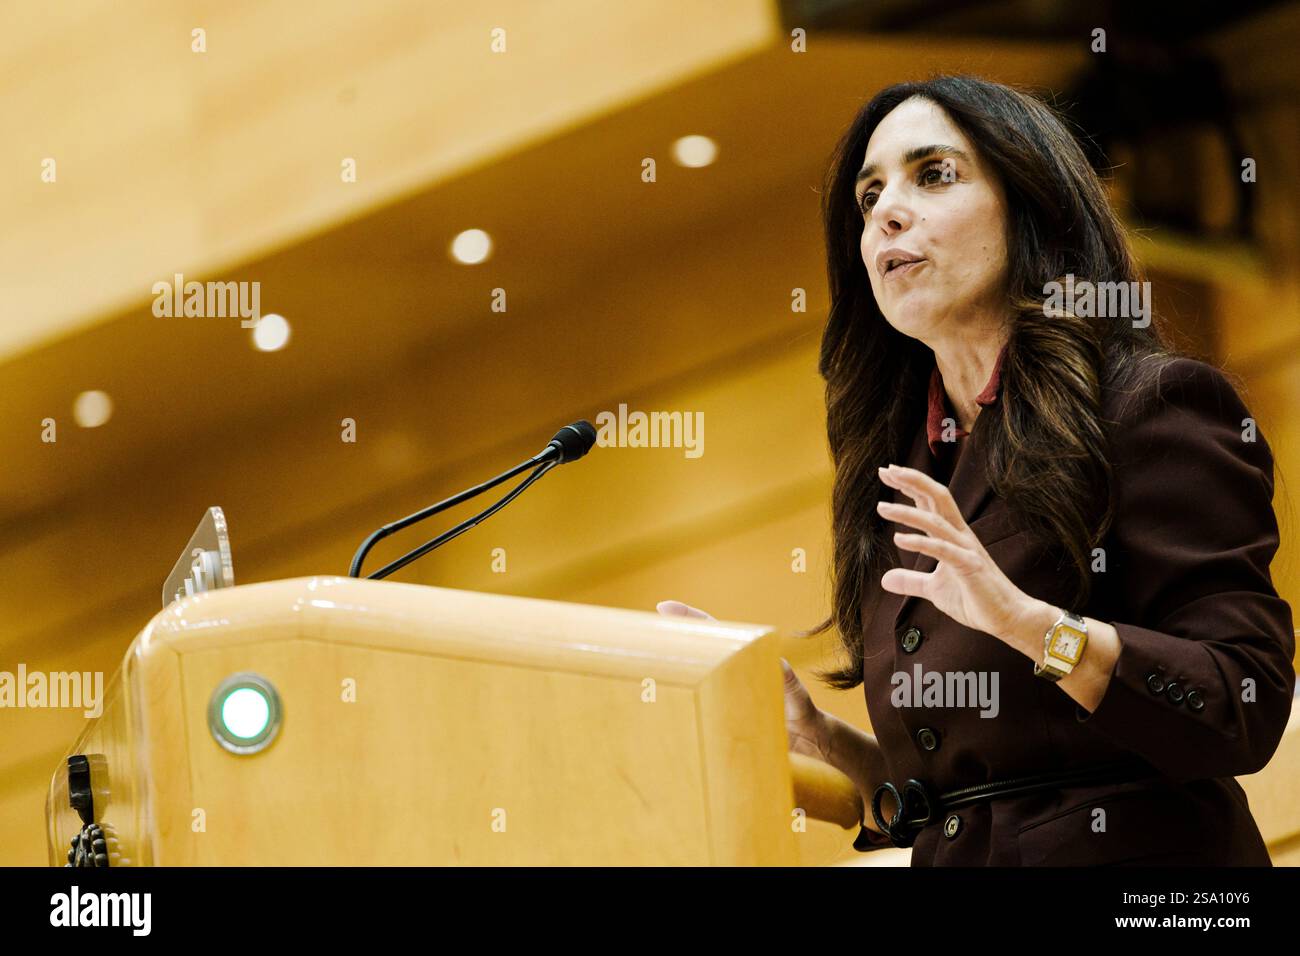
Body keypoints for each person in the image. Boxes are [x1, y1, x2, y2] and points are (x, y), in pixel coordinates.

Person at [659, 74, 1295, 865]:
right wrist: (819, 739)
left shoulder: (1151, 405)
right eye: (868, 197)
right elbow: (976, 793)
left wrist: (1033, 627)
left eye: (934, 175)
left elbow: (1241, 702)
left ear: (1030, 205)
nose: (887, 209)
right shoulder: (896, 467)